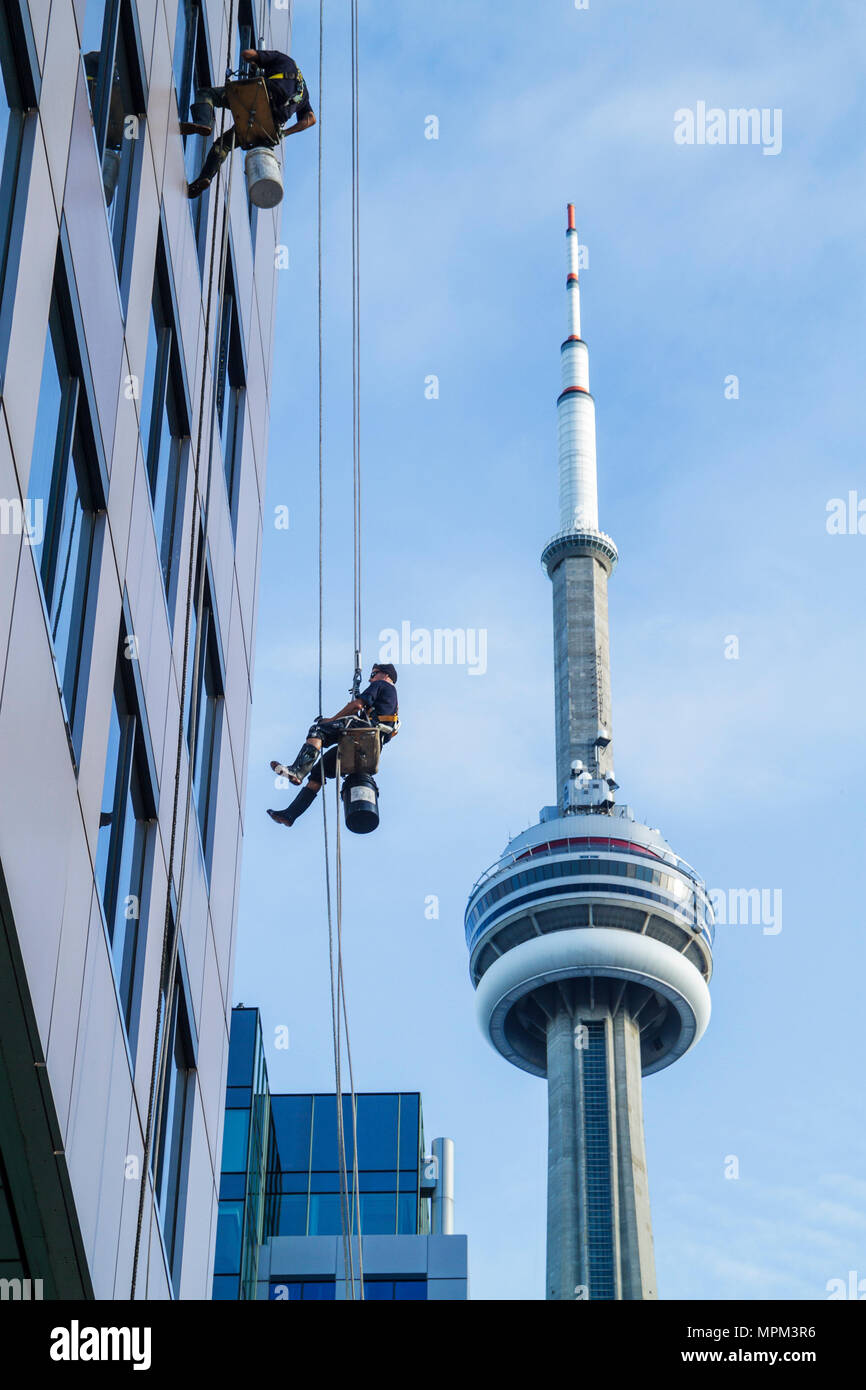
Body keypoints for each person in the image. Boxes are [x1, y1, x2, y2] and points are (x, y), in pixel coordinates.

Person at [267, 664, 399, 827]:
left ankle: (297, 771)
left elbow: (356, 705)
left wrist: (331, 720)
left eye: (374, 674)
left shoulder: (381, 685)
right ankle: (290, 815)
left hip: (365, 733)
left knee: (317, 730)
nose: (370, 678)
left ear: (385, 675)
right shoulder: (392, 699)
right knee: (318, 771)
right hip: (371, 746)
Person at [186, 48, 316, 198]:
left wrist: (254, 62)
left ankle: (204, 122)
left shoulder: (281, 58)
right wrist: (284, 133)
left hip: (262, 96)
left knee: (206, 94)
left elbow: (247, 54)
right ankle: (205, 178)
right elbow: (310, 119)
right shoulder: (303, 92)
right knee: (224, 144)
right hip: (270, 125)